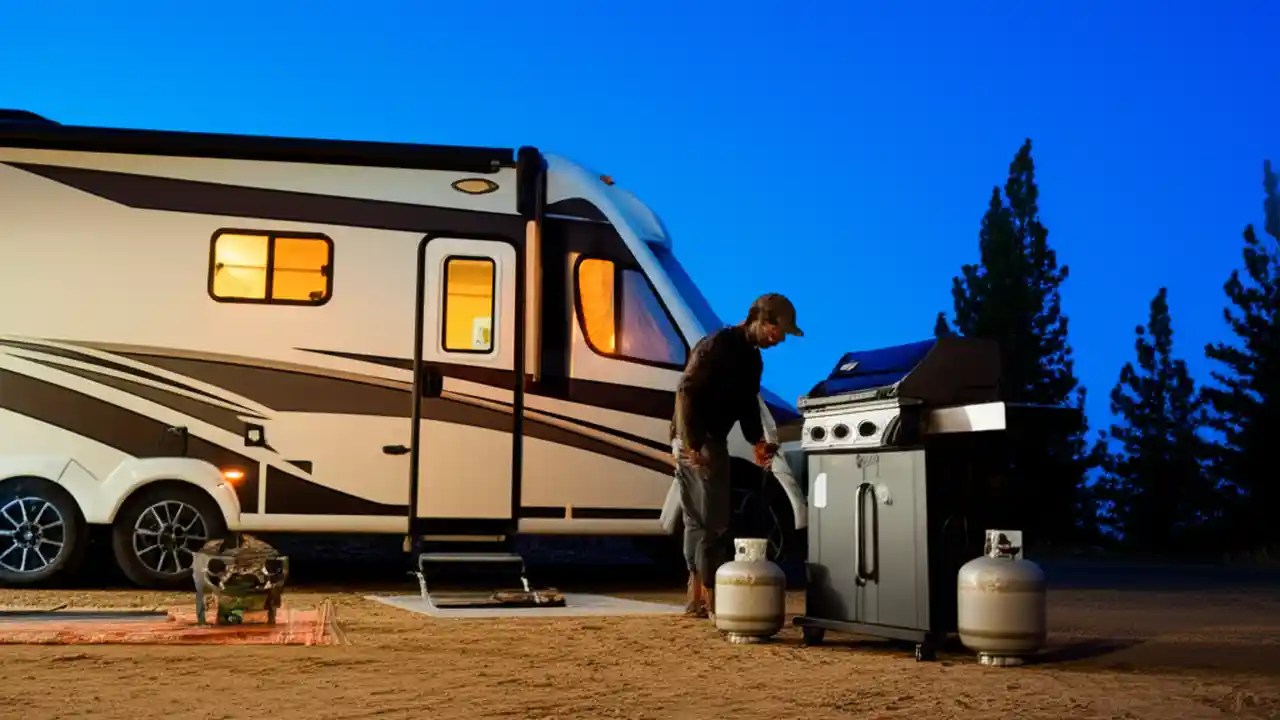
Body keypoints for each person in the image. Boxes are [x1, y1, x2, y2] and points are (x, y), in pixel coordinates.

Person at [670, 292, 803, 619]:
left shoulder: (753, 360)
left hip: (706, 438)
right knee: (712, 521)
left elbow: (746, 408)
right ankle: (710, 599)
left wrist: (758, 441)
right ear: (762, 320)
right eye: (778, 332)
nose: (780, 339)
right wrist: (691, 443)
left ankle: (697, 597)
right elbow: (686, 389)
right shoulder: (717, 345)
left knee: (700, 520)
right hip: (697, 437)